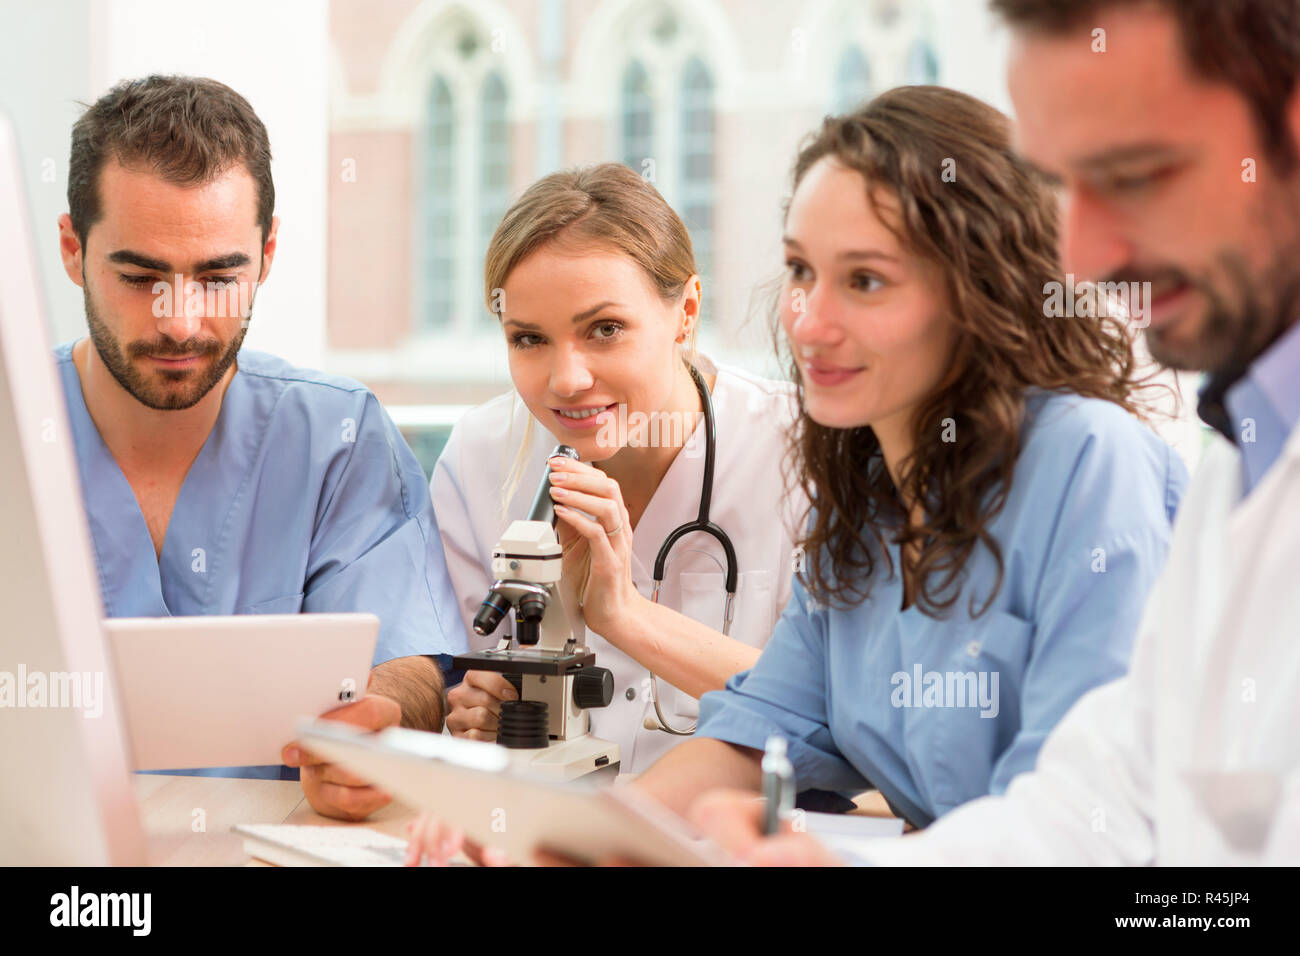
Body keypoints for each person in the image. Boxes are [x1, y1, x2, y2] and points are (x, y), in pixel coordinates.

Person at [410, 86, 1189, 866]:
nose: (810, 321)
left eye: (867, 281)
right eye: (801, 271)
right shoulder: (865, 497)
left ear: (980, 289)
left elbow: (1089, 821)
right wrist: (560, 844)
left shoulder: (1091, 466)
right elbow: (762, 724)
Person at [680, 0, 1300, 866]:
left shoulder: (1095, 463)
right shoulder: (1250, 456)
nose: (1082, 256)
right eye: (800, 270)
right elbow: (1097, 805)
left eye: (1133, 175)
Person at [54, 74, 463, 820]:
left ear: (267, 255)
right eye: (141, 277)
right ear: (72, 250)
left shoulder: (336, 439)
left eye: (218, 277)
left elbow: (408, 663)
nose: (180, 322)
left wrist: (383, 720)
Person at [429, 163, 805, 773]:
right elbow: (467, 683)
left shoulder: (800, 453)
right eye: (528, 339)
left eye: (605, 330)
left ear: (686, 311)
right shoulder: (479, 456)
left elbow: (829, 711)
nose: (567, 381)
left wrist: (624, 615)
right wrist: (476, 713)